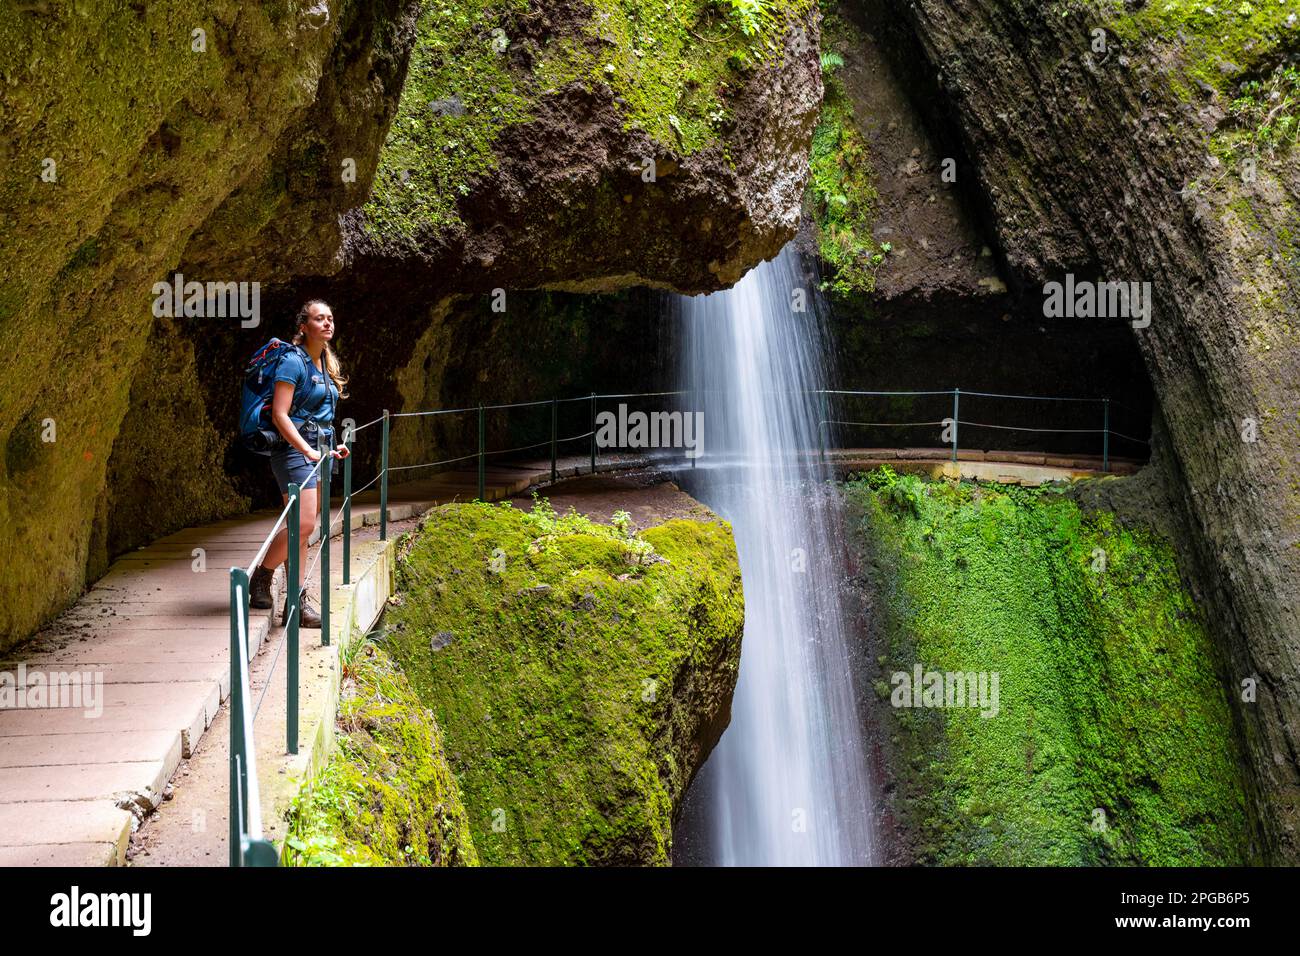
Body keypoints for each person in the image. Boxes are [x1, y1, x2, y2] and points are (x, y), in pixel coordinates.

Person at [248, 300, 350, 627]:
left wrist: (334, 447)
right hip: (294, 451)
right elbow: (280, 414)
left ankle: (296, 602)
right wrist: (307, 449)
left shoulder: (326, 363)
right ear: (304, 326)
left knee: (305, 530)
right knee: (303, 525)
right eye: (319, 319)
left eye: (330, 318)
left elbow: (322, 417)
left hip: (319, 451)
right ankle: (262, 576)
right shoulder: (293, 362)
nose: (327, 323)